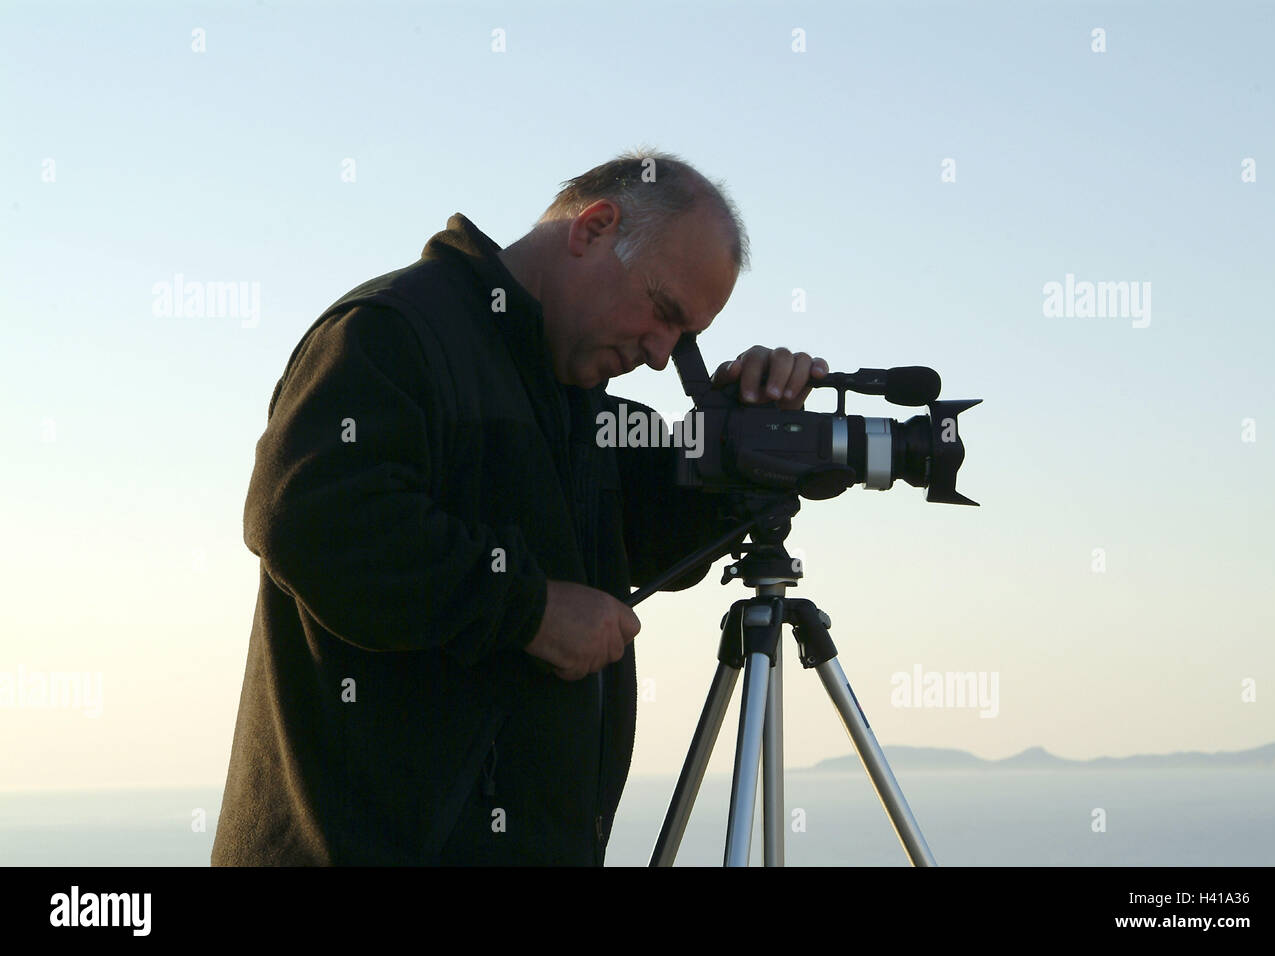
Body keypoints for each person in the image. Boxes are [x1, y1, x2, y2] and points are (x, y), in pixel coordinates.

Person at [211, 150, 827, 866]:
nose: (663, 356)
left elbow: (660, 533)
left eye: (684, 337)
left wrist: (745, 436)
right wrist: (529, 611)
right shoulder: (391, 333)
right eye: (662, 313)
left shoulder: (583, 402)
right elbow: (311, 522)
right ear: (594, 228)